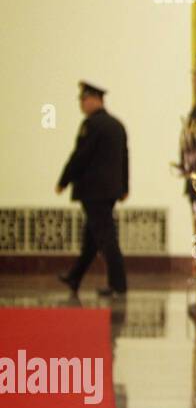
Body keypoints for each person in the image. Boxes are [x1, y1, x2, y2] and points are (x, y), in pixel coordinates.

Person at [57, 80, 130, 296]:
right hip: (110, 191)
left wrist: (64, 180)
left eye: (83, 99)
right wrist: (124, 186)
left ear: (95, 99)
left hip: (93, 191)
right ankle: (75, 276)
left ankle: (118, 284)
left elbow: (80, 157)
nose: (81, 104)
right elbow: (125, 159)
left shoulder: (91, 125)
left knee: (106, 237)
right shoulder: (117, 125)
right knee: (91, 238)